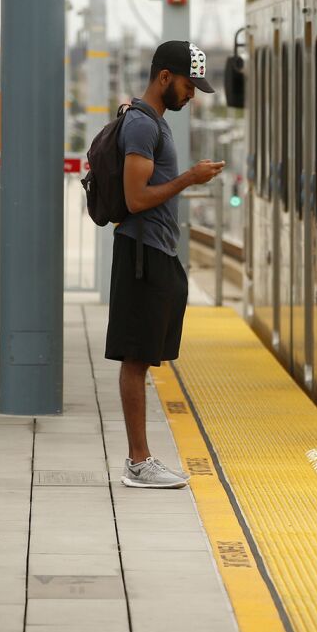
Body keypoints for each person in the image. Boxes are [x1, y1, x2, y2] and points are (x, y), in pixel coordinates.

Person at [108, 40, 224, 488]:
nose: (192, 94)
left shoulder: (153, 123)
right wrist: (188, 179)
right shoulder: (142, 127)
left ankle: (141, 459)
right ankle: (139, 462)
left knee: (145, 356)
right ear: (164, 78)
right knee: (136, 358)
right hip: (141, 253)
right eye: (189, 84)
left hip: (154, 251)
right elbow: (136, 198)